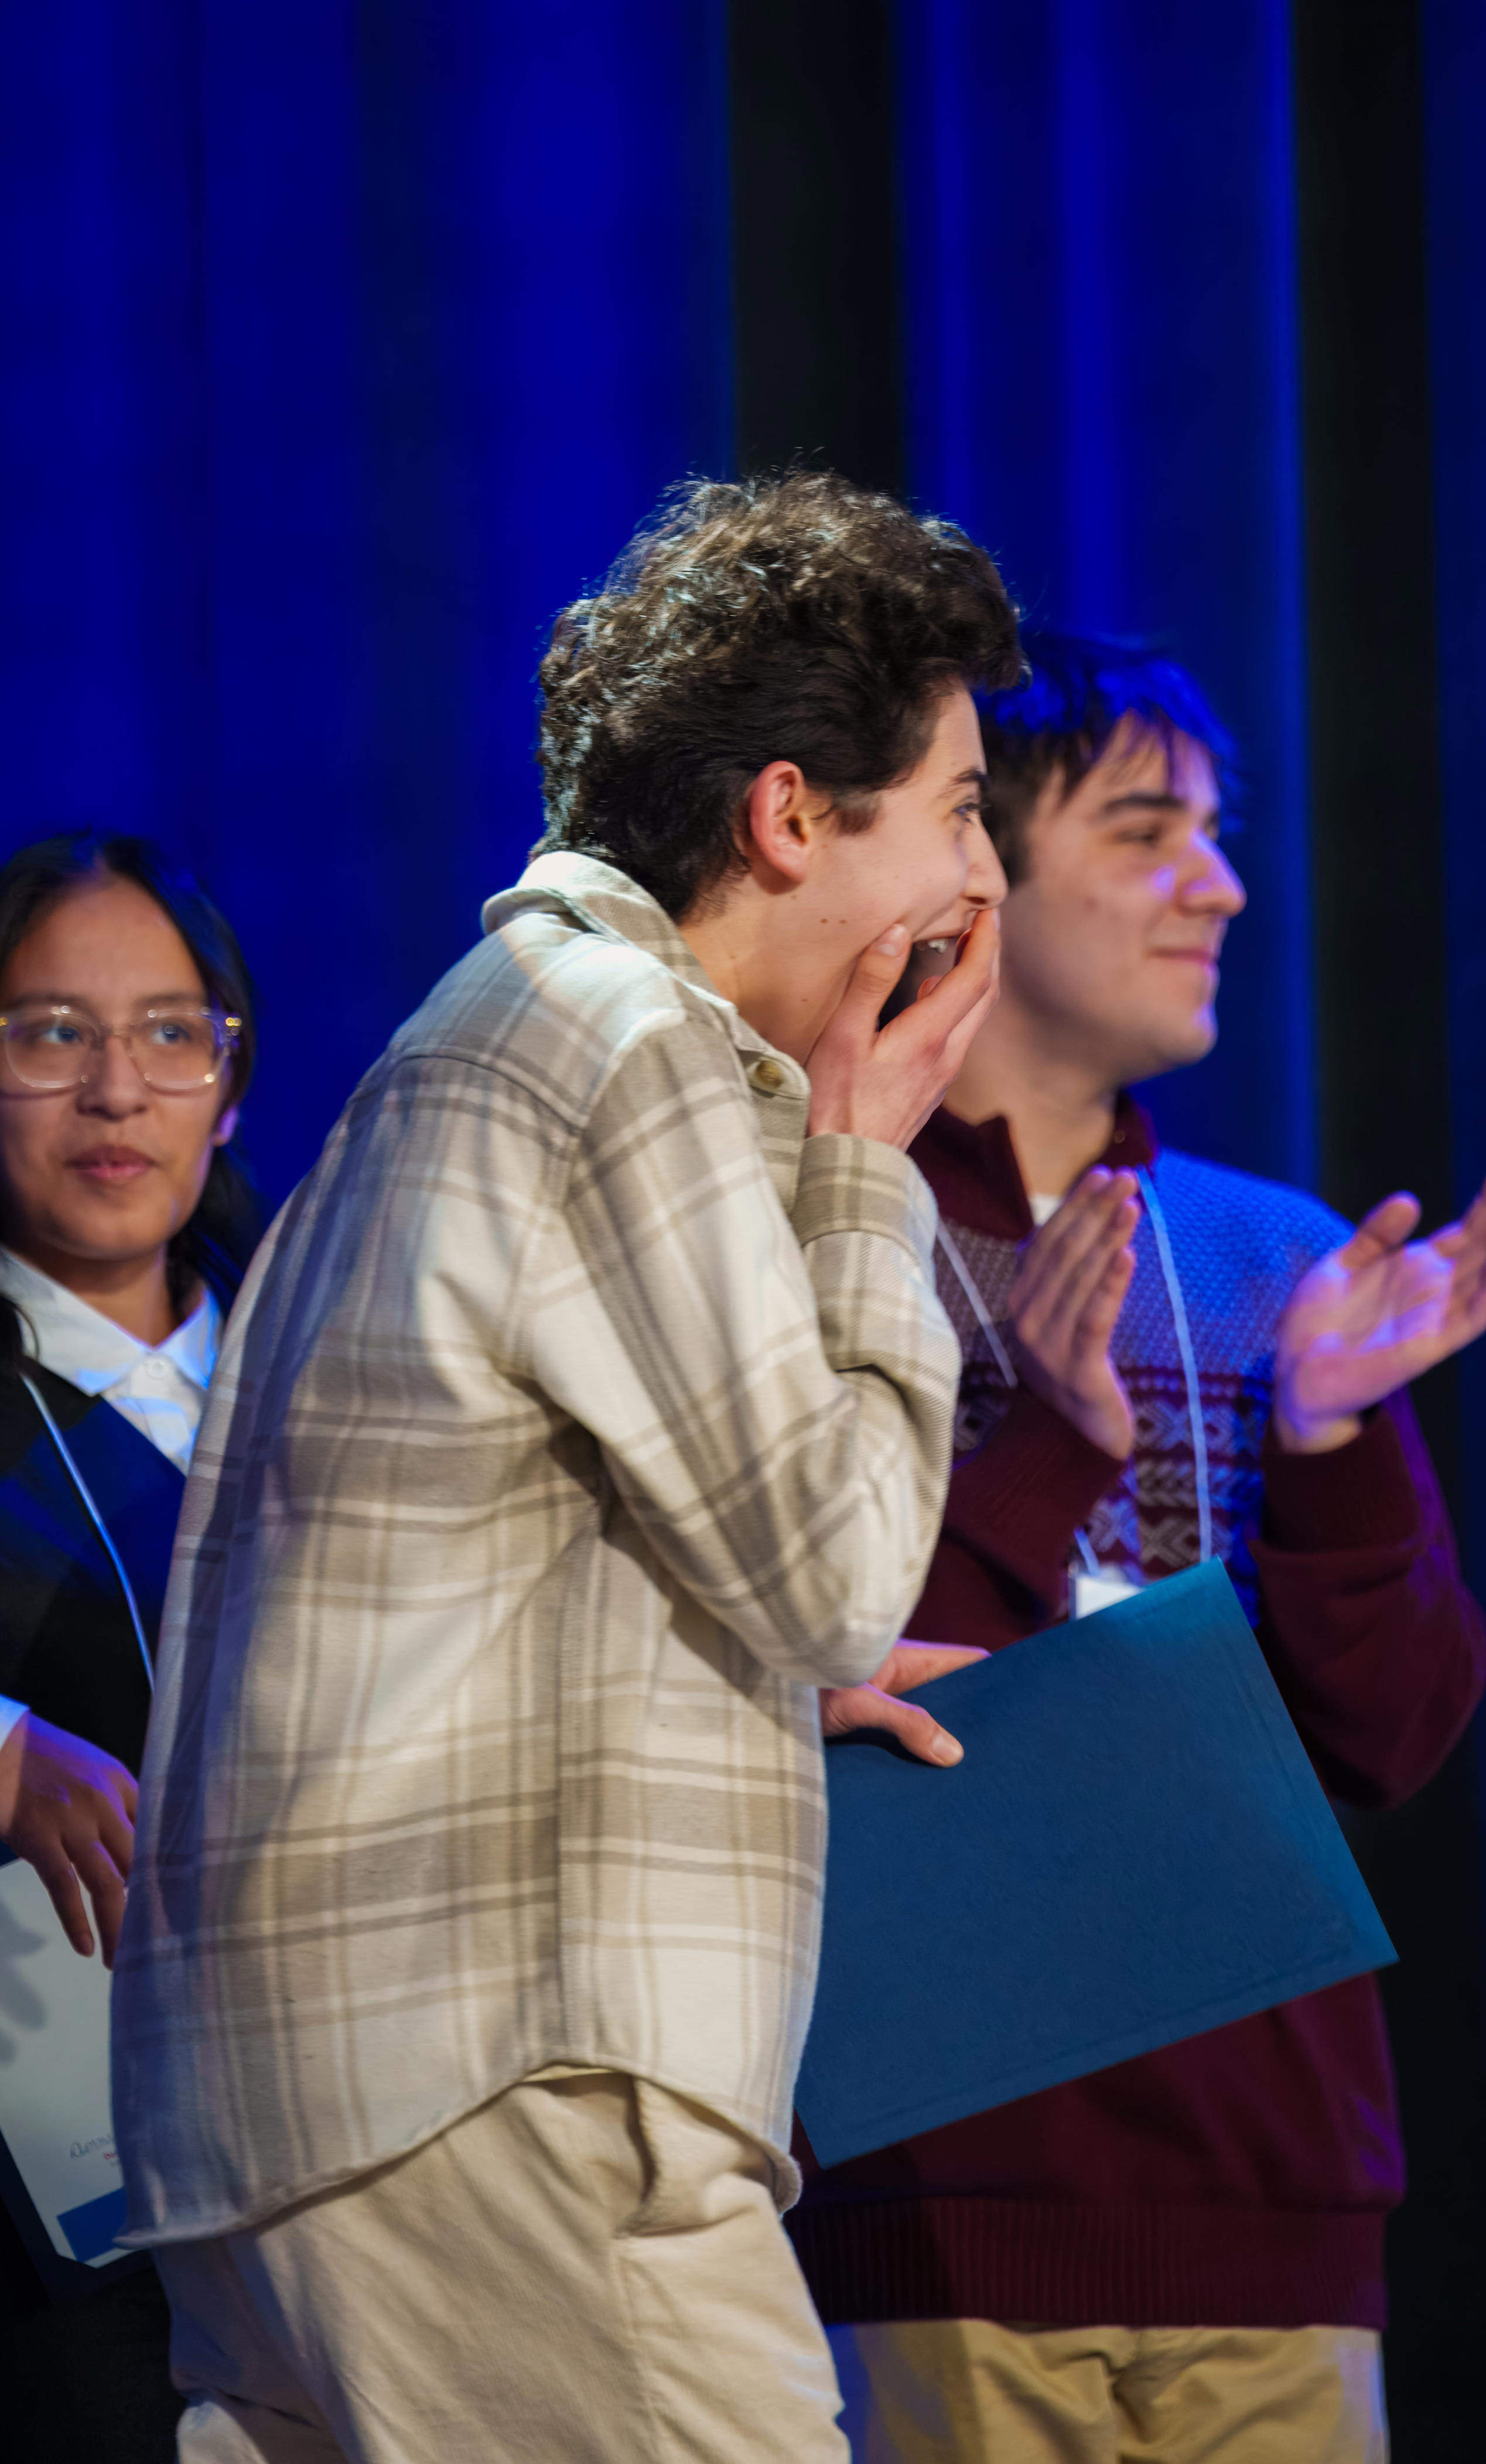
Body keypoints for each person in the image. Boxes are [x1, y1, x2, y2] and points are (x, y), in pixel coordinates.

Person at [110, 471, 1020, 2463]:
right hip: (497, 2094)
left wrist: (753, 1686)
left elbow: (530, 1538)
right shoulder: (622, 1040)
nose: (983, 887)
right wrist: (864, 1159)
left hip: (327, 2113)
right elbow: (840, 1563)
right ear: (789, 816)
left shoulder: (505, 1029)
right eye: (957, 810)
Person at [791, 636, 1486, 2464]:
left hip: (1268, 2187)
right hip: (939, 2170)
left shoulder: (1273, 1255)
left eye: (1216, 834)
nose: (1218, 885)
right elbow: (810, 1661)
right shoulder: (820, 1230)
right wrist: (1048, 1445)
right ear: (981, 875)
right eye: (1146, 832)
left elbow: (1392, 1734)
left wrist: (1330, 1438)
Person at [0, 833, 262, 2464]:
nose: (116, 1089)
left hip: (357, 2184)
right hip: (56, 2253)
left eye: (172, 1033)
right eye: (46, 1032)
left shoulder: (351, 1374)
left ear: (230, 1086)